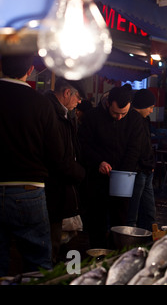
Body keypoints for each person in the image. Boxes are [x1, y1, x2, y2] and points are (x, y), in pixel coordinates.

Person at [0, 53, 67, 276]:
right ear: (29, 71)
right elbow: (56, 154)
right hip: (29, 189)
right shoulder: (41, 103)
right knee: (37, 264)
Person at [78, 85, 144, 248]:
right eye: (115, 113)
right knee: (96, 219)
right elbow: (82, 145)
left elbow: (134, 149)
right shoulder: (92, 117)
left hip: (123, 178)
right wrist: (98, 162)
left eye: (124, 113)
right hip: (96, 178)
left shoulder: (135, 119)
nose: (120, 117)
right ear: (108, 103)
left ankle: (116, 255)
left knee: (119, 220)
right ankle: (97, 253)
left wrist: (123, 172)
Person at [43, 77, 86, 265]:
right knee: (48, 245)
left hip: (59, 186)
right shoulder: (50, 111)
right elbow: (58, 157)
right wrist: (81, 174)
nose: (79, 102)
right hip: (51, 186)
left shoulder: (65, 113)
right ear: (67, 92)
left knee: (55, 242)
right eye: (78, 97)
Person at [126, 89, 156, 231]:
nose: (151, 111)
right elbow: (136, 147)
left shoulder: (144, 120)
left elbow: (146, 145)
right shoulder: (132, 119)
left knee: (149, 210)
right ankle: (128, 239)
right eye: (150, 107)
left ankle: (149, 236)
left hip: (146, 169)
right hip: (137, 171)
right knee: (133, 210)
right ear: (143, 105)